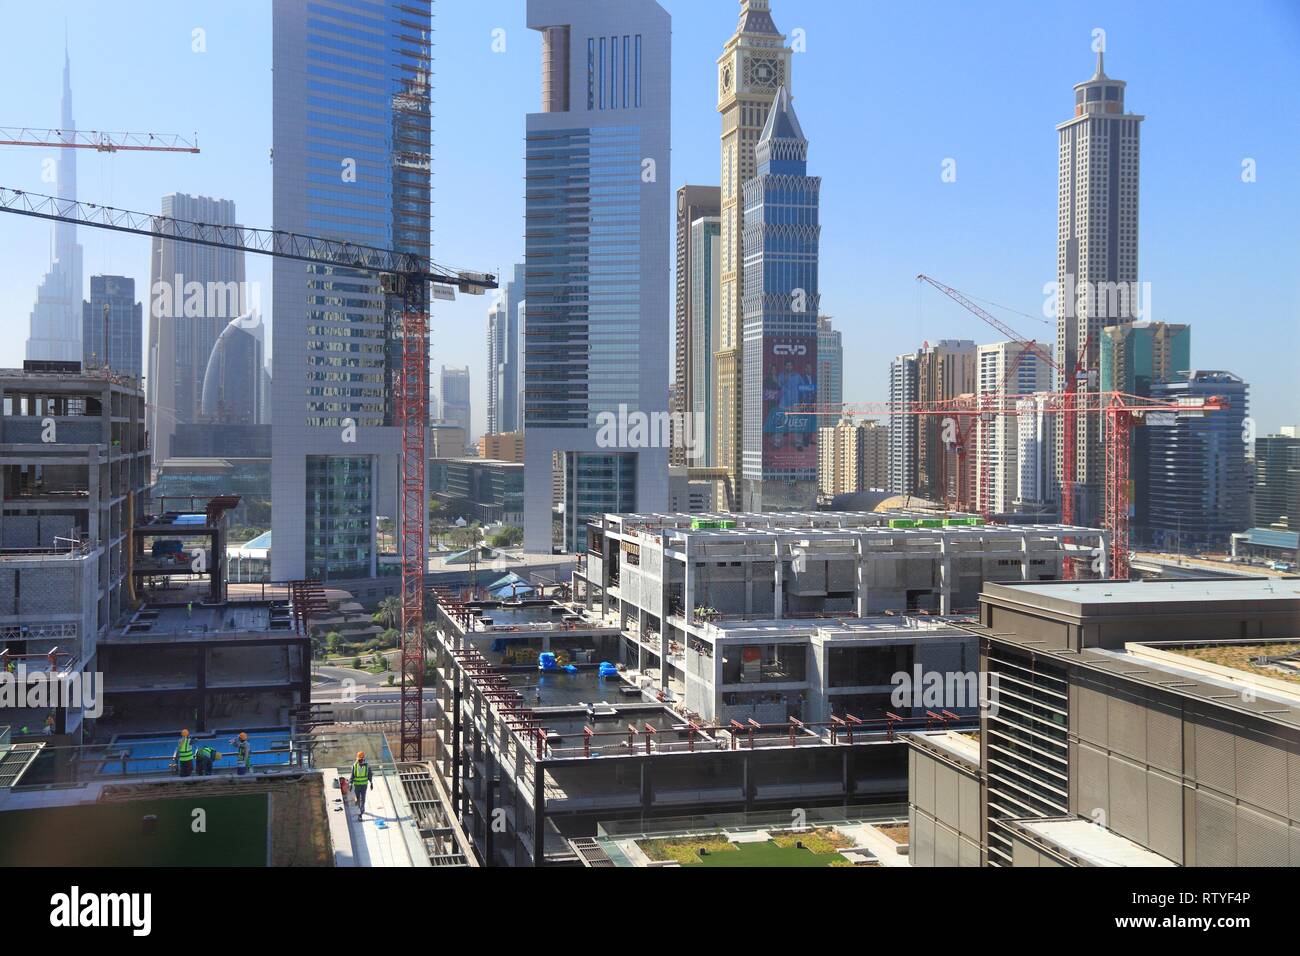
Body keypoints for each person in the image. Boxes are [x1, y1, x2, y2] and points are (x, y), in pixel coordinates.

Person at [350, 751, 371, 820]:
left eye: (361, 759)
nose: (359, 761)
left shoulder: (367, 765)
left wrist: (371, 782)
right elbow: (352, 775)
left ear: (363, 759)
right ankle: (360, 810)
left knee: (363, 799)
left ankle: (360, 813)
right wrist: (350, 783)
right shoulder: (355, 765)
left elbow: (370, 774)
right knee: (358, 799)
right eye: (359, 759)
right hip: (357, 785)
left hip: (364, 785)